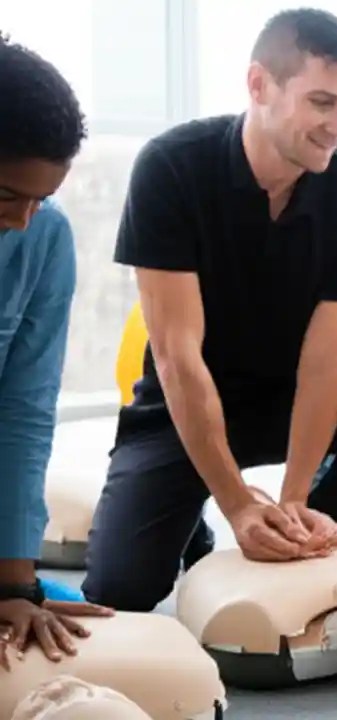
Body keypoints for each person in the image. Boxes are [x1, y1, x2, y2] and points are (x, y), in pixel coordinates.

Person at [80, 9, 337, 612]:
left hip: (282, 398)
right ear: (259, 85)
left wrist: (293, 500)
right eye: (322, 103)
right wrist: (237, 504)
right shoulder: (171, 167)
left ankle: (315, 520)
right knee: (120, 590)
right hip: (178, 409)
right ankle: (194, 513)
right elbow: (176, 357)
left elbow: (325, 362)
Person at [0, 31, 116, 670]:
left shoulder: (45, 238)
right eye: (7, 196)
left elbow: (23, 409)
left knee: (77, 626)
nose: (24, 219)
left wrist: (15, 585)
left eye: (41, 198)